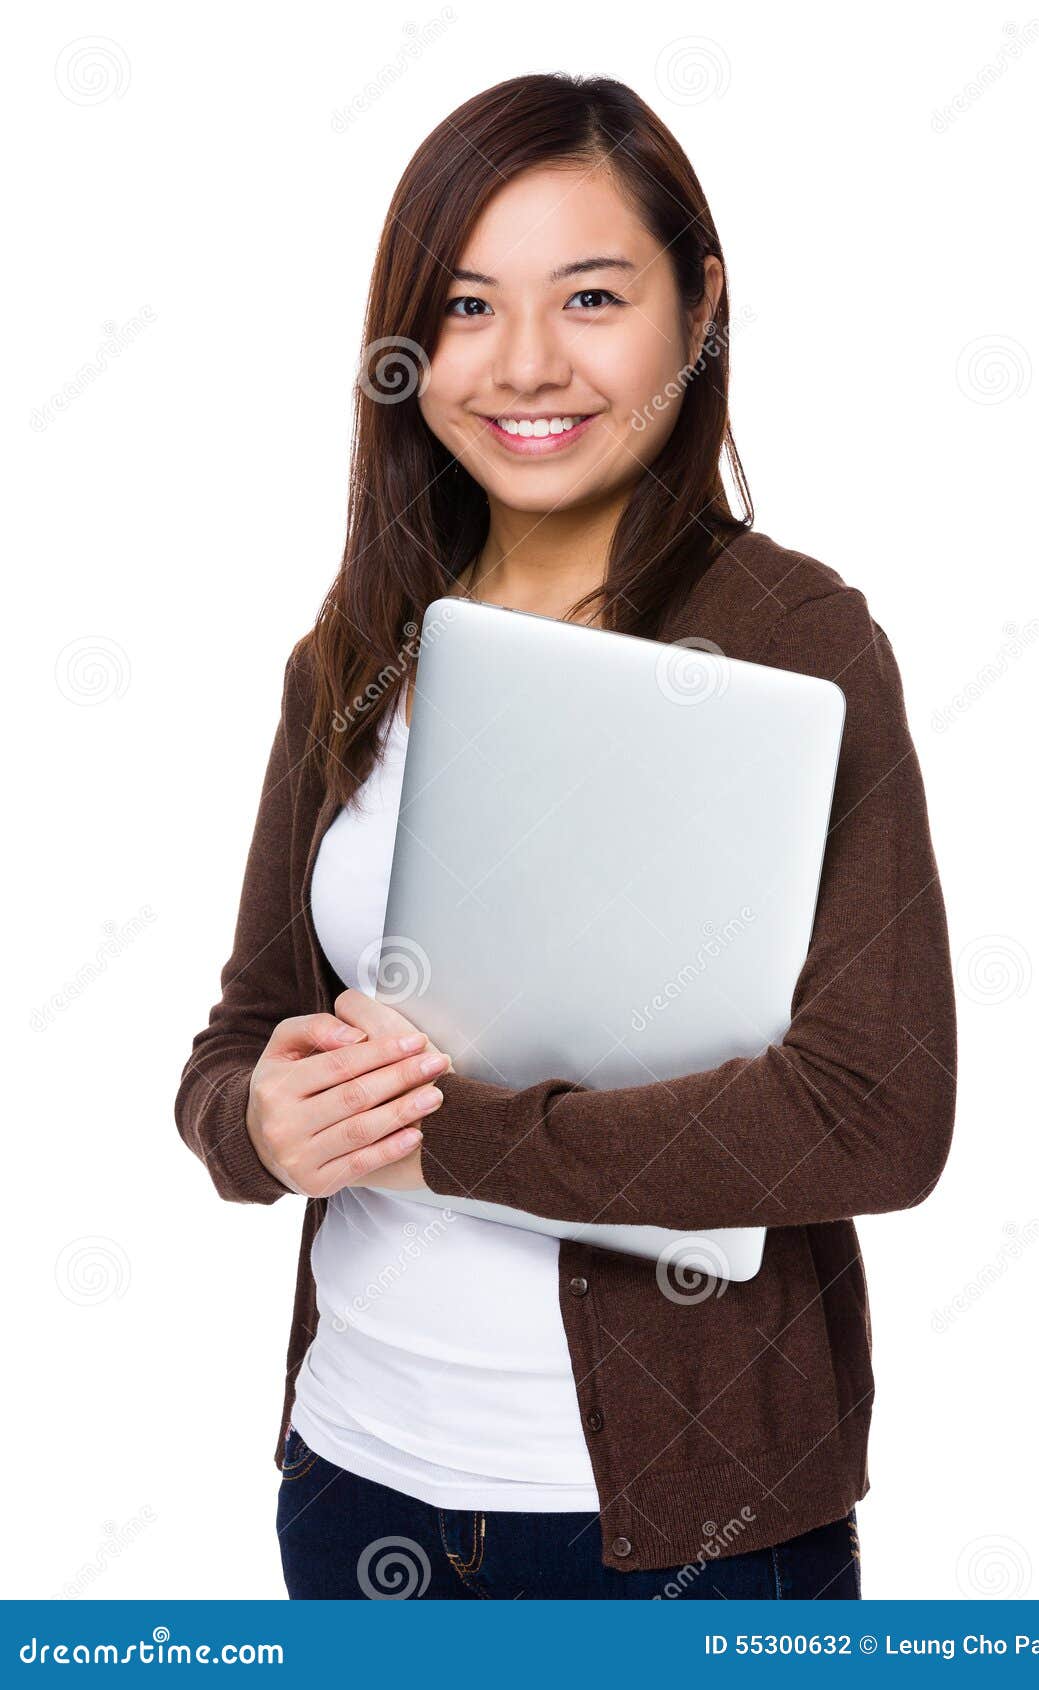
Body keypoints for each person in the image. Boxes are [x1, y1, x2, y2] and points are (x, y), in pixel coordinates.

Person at [175, 73, 955, 1601]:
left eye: (590, 294)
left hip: (690, 1536)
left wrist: (444, 1134)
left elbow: (877, 1108)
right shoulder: (351, 649)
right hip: (354, 1485)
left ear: (700, 305)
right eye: (464, 306)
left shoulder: (798, 640)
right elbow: (241, 1040)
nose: (525, 362)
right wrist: (255, 1129)